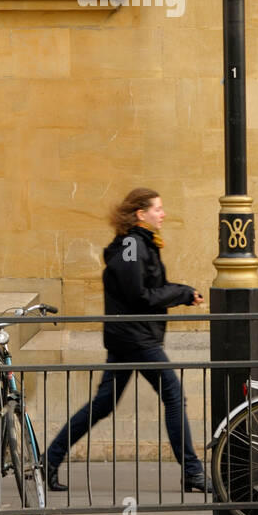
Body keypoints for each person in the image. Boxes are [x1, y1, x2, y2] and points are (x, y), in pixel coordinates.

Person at [42, 187, 211, 493]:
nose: (164, 214)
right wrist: (182, 293)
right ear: (140, 214)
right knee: (173, 395)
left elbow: (146, 288)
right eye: (158, 209)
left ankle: (49, 461)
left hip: (129, 338)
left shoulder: (140, 244)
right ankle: (193, 473)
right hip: (137, 340)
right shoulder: (133, 244)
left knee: (103, 404)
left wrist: (184, 294)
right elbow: (139, 295)